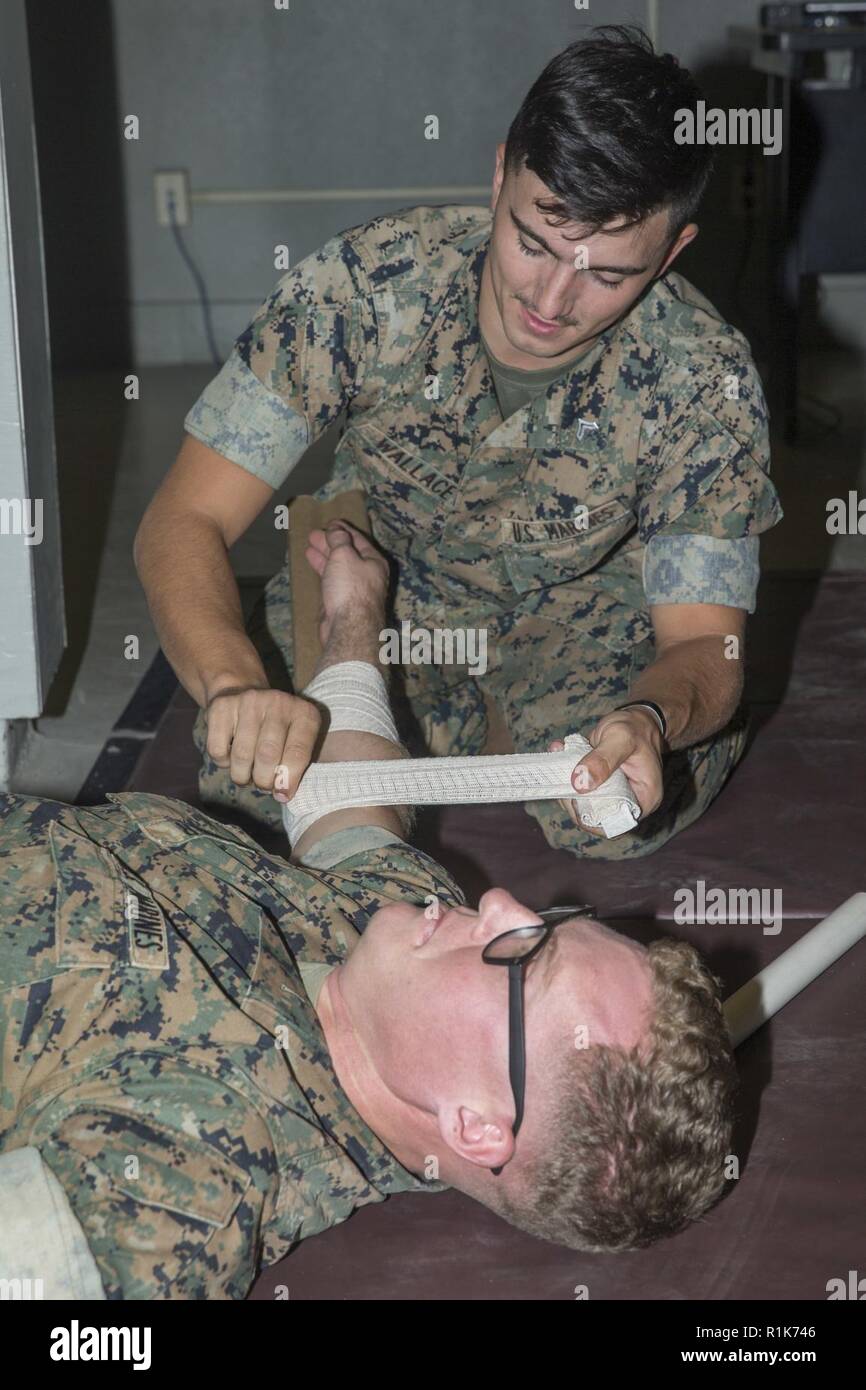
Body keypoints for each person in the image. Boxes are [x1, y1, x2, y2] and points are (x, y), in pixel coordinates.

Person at [0, 523, 736, 1300]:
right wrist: (353, 620)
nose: (495, 903)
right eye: (545, 922)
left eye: (523, 954)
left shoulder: (184, 1172)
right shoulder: (387, 952)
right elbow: (348, 805)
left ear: (476, 1125)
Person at [134, 25, 782, 860]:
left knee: (616, 814)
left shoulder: (703, 377)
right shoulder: (368, 288)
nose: (550, 298)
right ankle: (366, 638)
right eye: (531, 242)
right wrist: (235, 687)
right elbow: (182, 520)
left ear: (672, 251)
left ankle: (540, 721)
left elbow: (703, 643)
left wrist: (652, 719)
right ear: (501, 170)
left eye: (606, 273)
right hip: (391, 574)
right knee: (263, 786)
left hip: (590, 605)